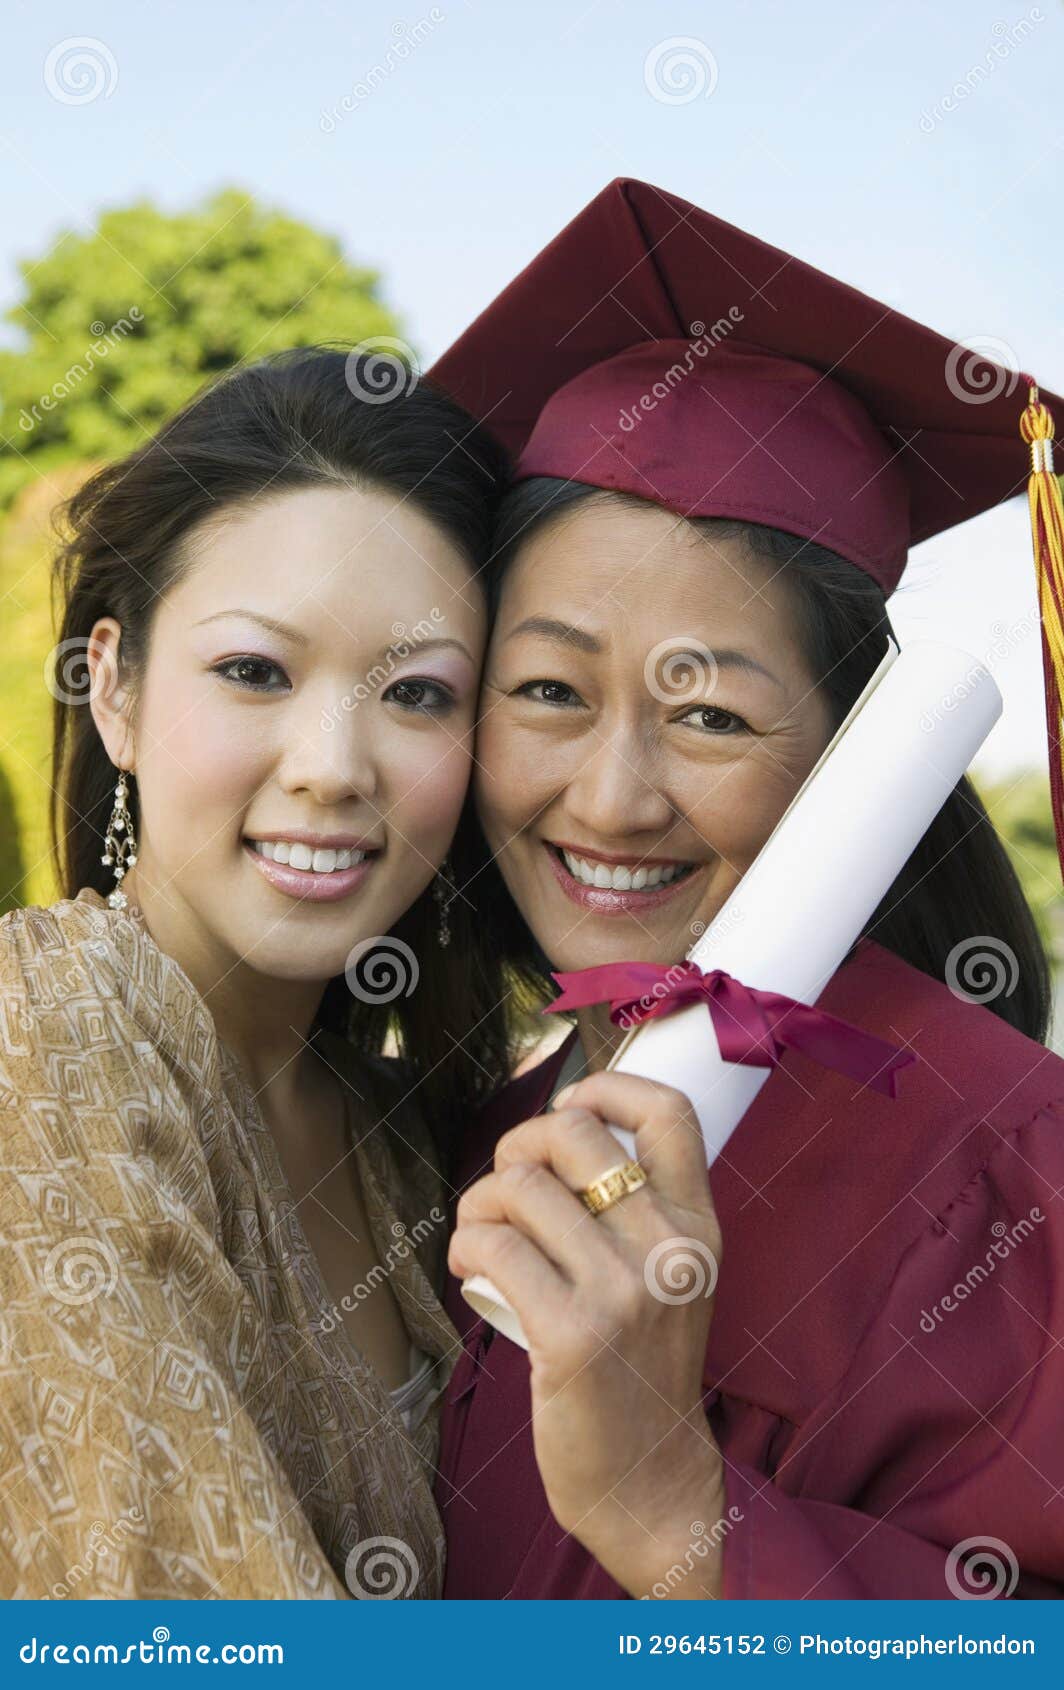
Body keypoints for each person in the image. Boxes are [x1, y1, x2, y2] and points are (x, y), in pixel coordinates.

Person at [428, 178, 1064, 1599]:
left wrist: (674, 1510)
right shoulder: (486, 1138)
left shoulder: (1015, 1174)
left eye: (710, 714)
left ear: (850, 757)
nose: (608, 799)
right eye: (547, 692)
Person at [0, 346, 514, 1598]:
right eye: (253, 671)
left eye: (418, 691)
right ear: (111, 688)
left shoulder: (405, 1134)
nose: (332, 767)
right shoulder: (42, 1031)